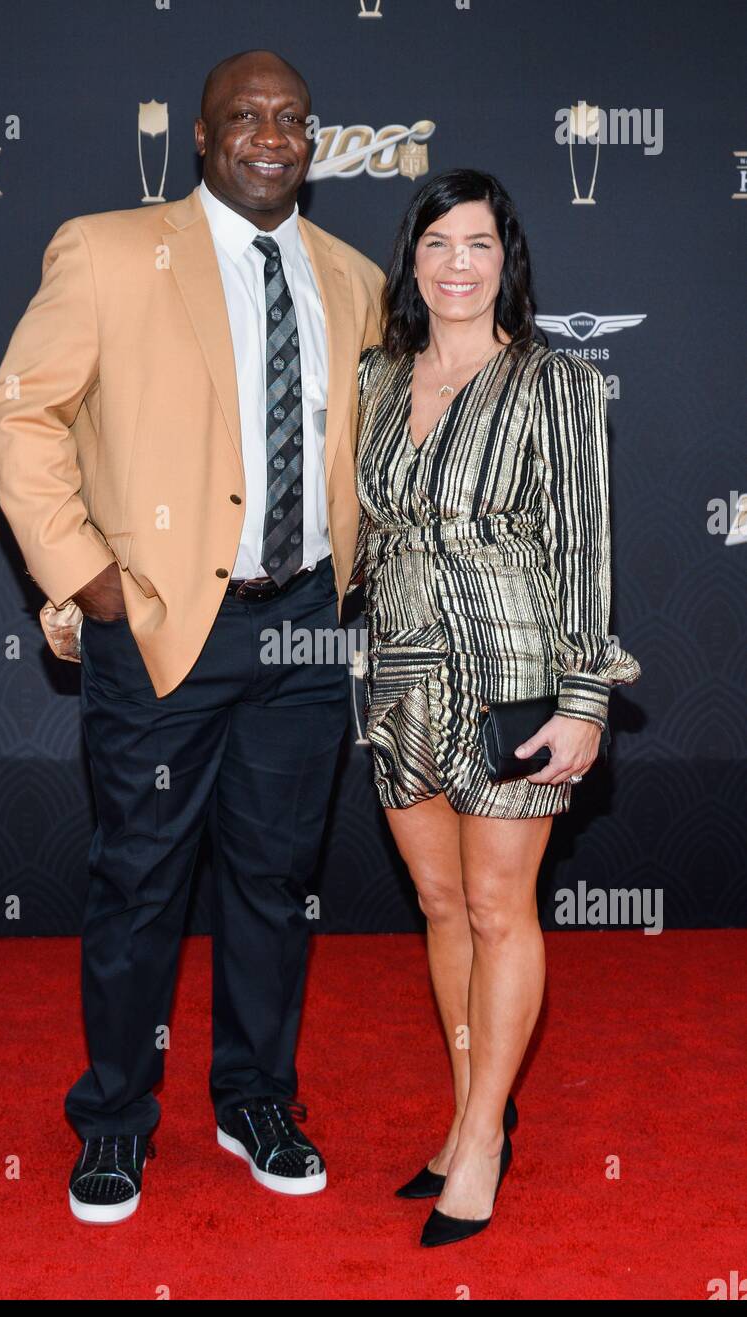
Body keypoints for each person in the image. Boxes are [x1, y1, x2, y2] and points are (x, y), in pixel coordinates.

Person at [0, 49, 384, 1222]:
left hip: (304, 625)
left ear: (313, 141)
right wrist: (86, 576)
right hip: (161, 626)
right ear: (202, 139)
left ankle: (255, 1095)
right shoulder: (110, 251)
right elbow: (23, 413)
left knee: (274, 880)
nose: (272, 135)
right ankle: (113, 1116)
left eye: (293, 119)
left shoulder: (352, 277)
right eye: (245, 118)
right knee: (139, 881)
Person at [354, 169, 640, 1247]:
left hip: (512, 668)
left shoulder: (553, 382)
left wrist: (583, 699)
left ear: (504, 260)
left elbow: (582, 547)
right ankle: (473, 1105)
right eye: (438, 244)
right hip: (398, 670)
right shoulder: (380, 374)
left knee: (493, 908)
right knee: (436, 905)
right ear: (412, 260)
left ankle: (477, 1142)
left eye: (478, 244)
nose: (457, 264)